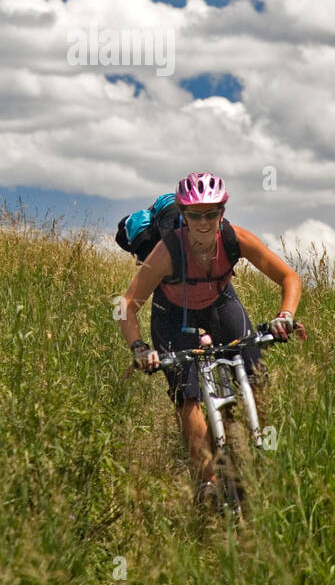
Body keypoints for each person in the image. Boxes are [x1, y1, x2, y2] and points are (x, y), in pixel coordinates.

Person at [119, 171, 304, 501]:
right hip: (173, 314)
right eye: (194, 214)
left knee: (256, 375)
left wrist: (285, 316)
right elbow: (127, 306)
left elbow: (289, 277)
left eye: (212, 213)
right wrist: (139, 348)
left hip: (220, 303)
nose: (204, 222)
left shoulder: (235, 239)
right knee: (186, 395)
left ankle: (267, 455)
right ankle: (208, 481)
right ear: (184, 214)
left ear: (223, 211)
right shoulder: (165, 252)